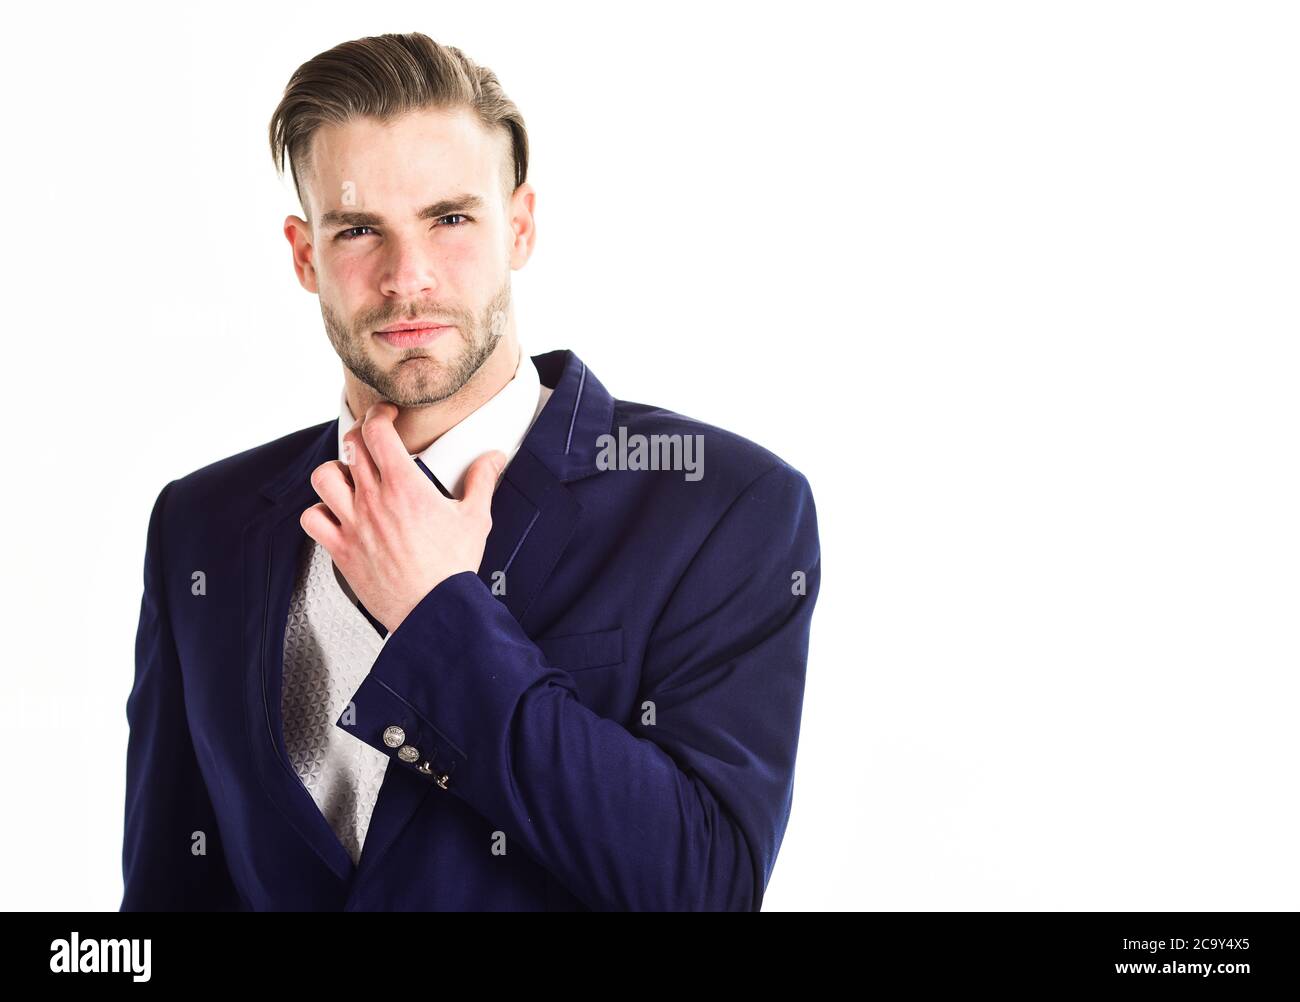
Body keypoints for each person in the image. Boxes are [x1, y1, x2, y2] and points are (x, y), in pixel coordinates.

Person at [120, 31, 821, 911]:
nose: (406, 278)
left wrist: (437, 612)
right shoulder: (203, 524)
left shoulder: (723, 506)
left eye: (450, 220)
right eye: (358, 229)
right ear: (306, 255)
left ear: (519, 226)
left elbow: (704, 886)